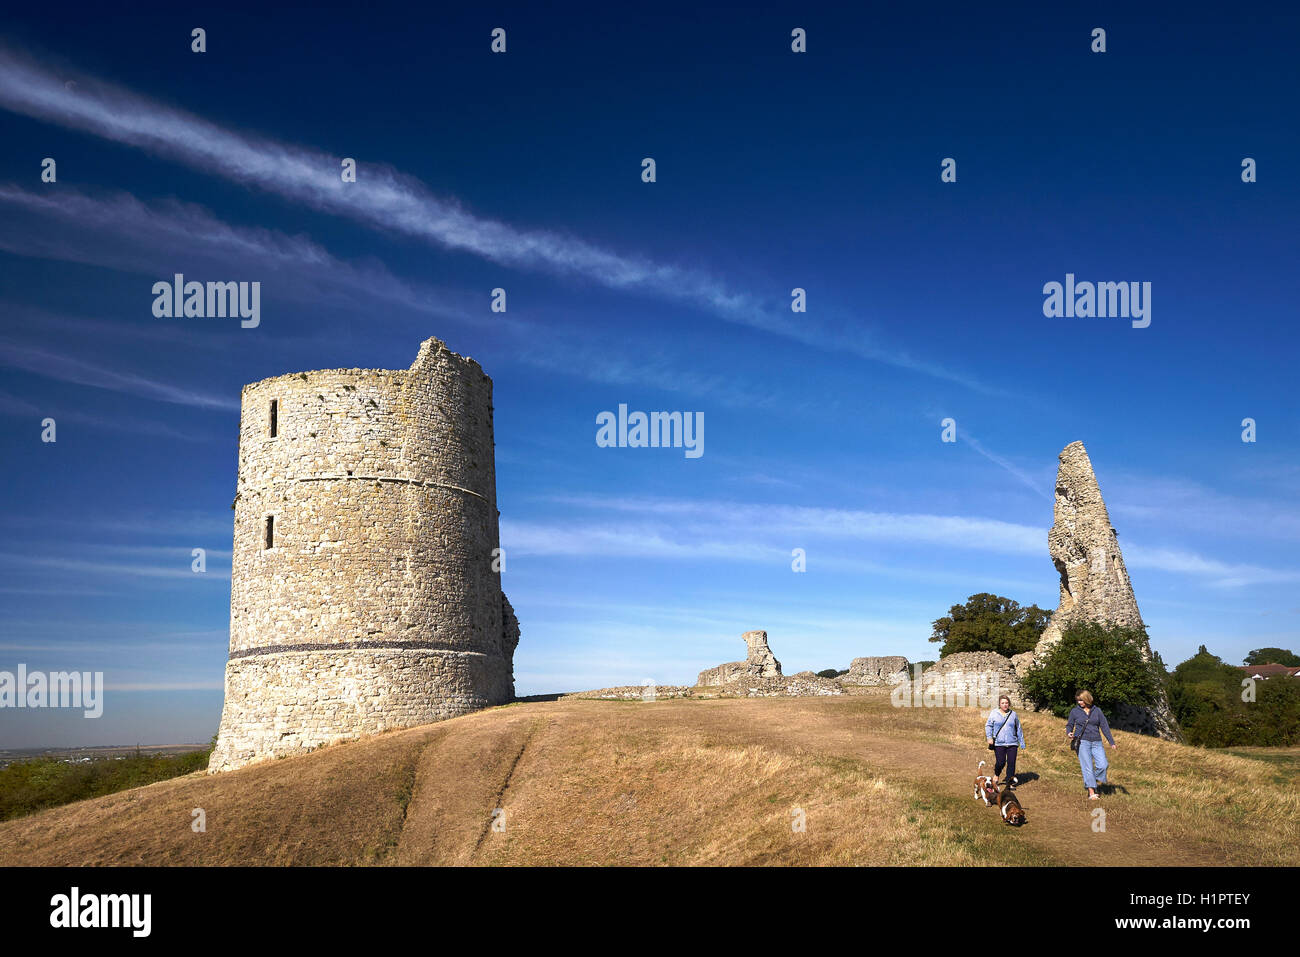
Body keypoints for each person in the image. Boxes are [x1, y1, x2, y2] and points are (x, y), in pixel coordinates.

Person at [1065, 689, 1116, 800]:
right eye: (1078, 701)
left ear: (1087, 699)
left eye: (1081, 700)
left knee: (1103, 765)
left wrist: (1111, 742)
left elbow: (1104, 726)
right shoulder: (1074, 711)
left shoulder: (1097, 711)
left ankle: (1092, 779)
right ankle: (1092, 792)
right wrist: (1069, 732)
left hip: (1097, 742)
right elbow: (1069, 724)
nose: (1079, 703)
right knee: (1087, 767)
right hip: (1082, 742)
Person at [984, 694, 1026, 787]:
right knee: (1001, 762)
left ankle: (1010, 783)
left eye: (1006, 703)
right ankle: (996, 774)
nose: (1005, 705)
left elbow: (1018, 728)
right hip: (999, 743)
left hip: (1012, 743)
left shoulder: (1013, 714)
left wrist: (1021, 742)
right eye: (1002, 703)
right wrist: (989, 737)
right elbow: (988, 725)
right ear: (999, 704)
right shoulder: (994, 713)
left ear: (1009, 704)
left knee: (1011, 763)